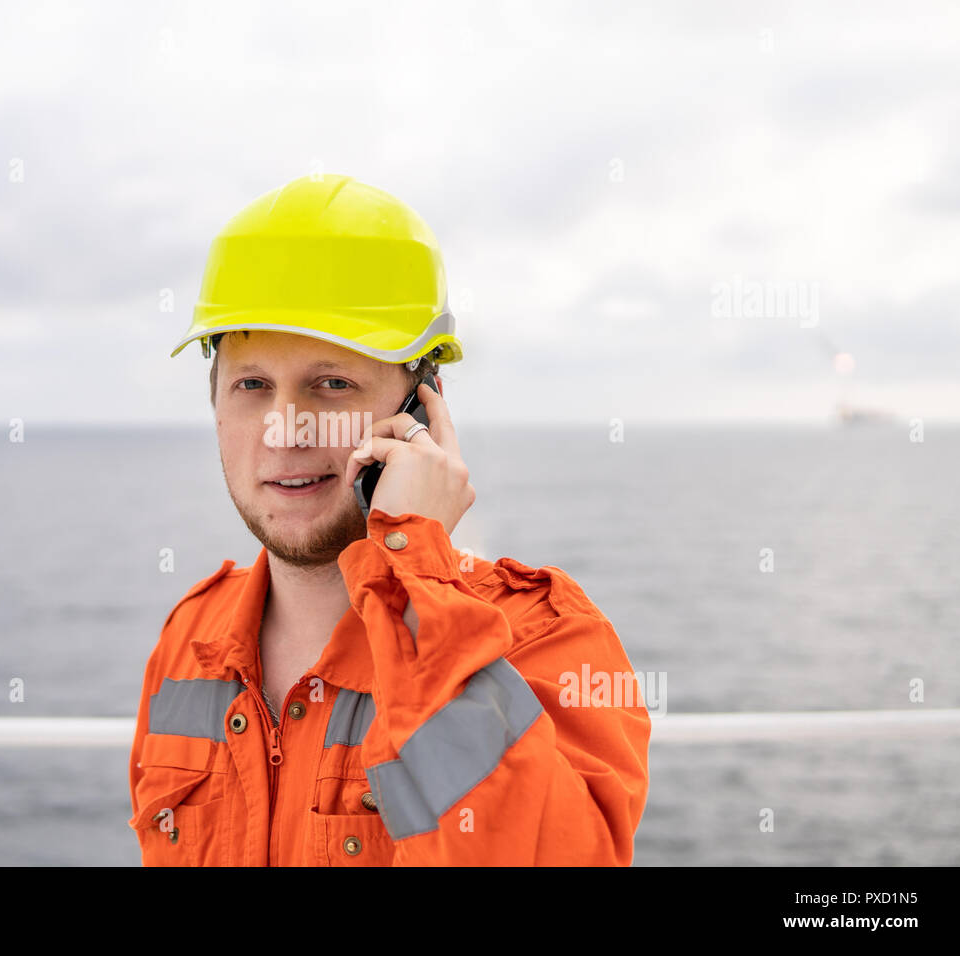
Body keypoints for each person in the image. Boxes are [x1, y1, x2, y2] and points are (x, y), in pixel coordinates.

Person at [128, 174, 650, 865]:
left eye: (333, 384)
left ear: (422, 409)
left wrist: (415, 578)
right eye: (252, 385)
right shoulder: (188, 641)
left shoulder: (542, 641)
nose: (285, 431)